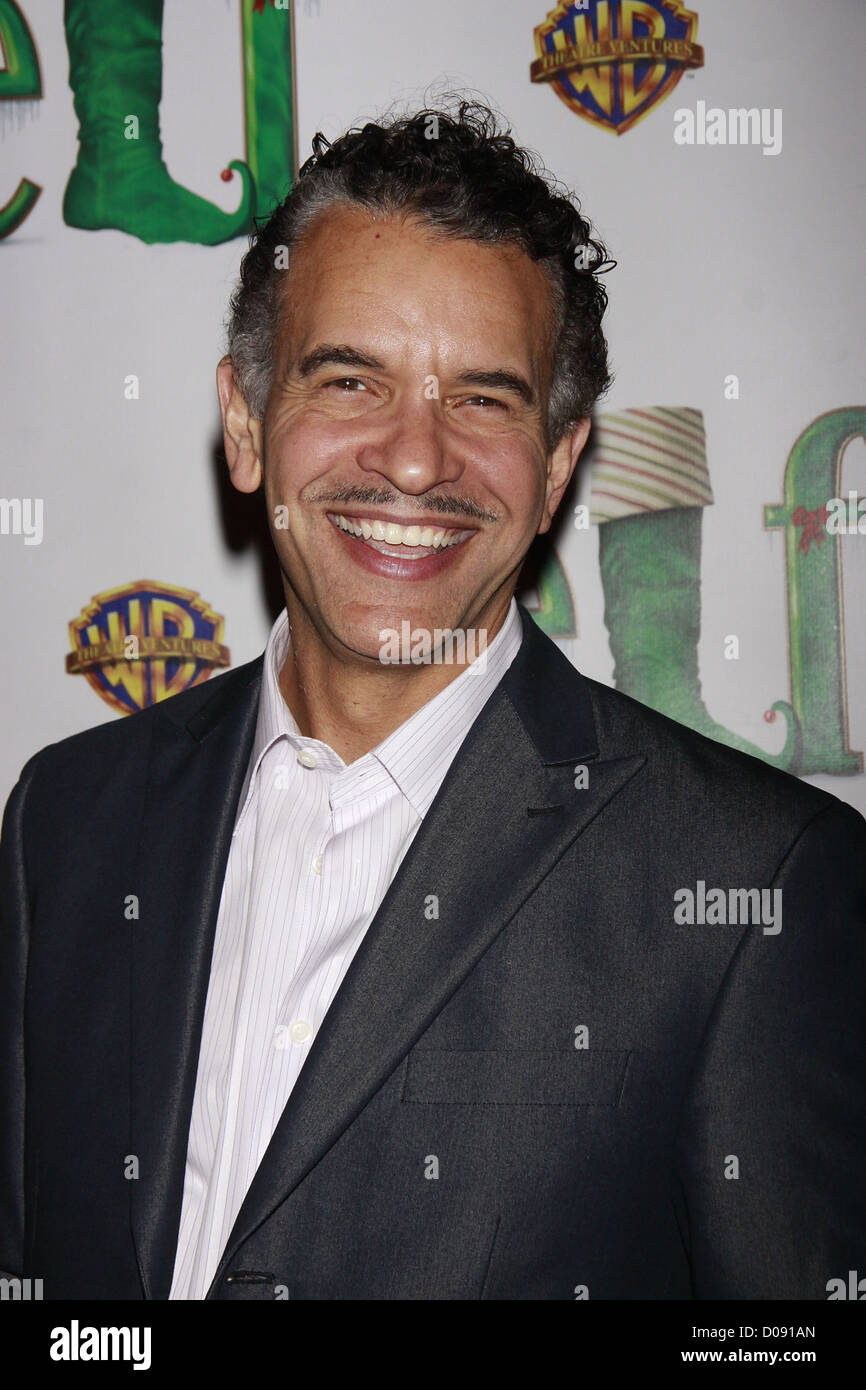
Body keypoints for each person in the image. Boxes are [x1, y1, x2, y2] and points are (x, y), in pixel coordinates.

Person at [1, 100, 863, 1302]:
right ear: (247, 425)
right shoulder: (67, 817)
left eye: (483, 398)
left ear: (557, 465)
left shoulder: (749, 882)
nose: (413, 459)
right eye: (349, 378)